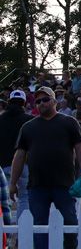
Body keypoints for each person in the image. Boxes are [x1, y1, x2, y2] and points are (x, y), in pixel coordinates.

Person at [8, 86, 81, 249]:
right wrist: (13, 183)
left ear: (54, 101)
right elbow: (19, 156)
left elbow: (80, 149)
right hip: (37, 184)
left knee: (70, 220)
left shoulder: (69, 123)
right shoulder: (28, 127)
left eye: (45, 99)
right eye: (38, 101)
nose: (41, 103)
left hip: (64, 183)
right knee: (39, 223)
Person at [0, 89, 33, 225]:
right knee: (24, 198)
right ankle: (22, 234)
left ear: (9, 102)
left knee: (3, 200)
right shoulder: (30, 121)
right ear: (24, 103)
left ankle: (4, 233)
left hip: (3, 166)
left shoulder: (0, 120)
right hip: (24, 165)